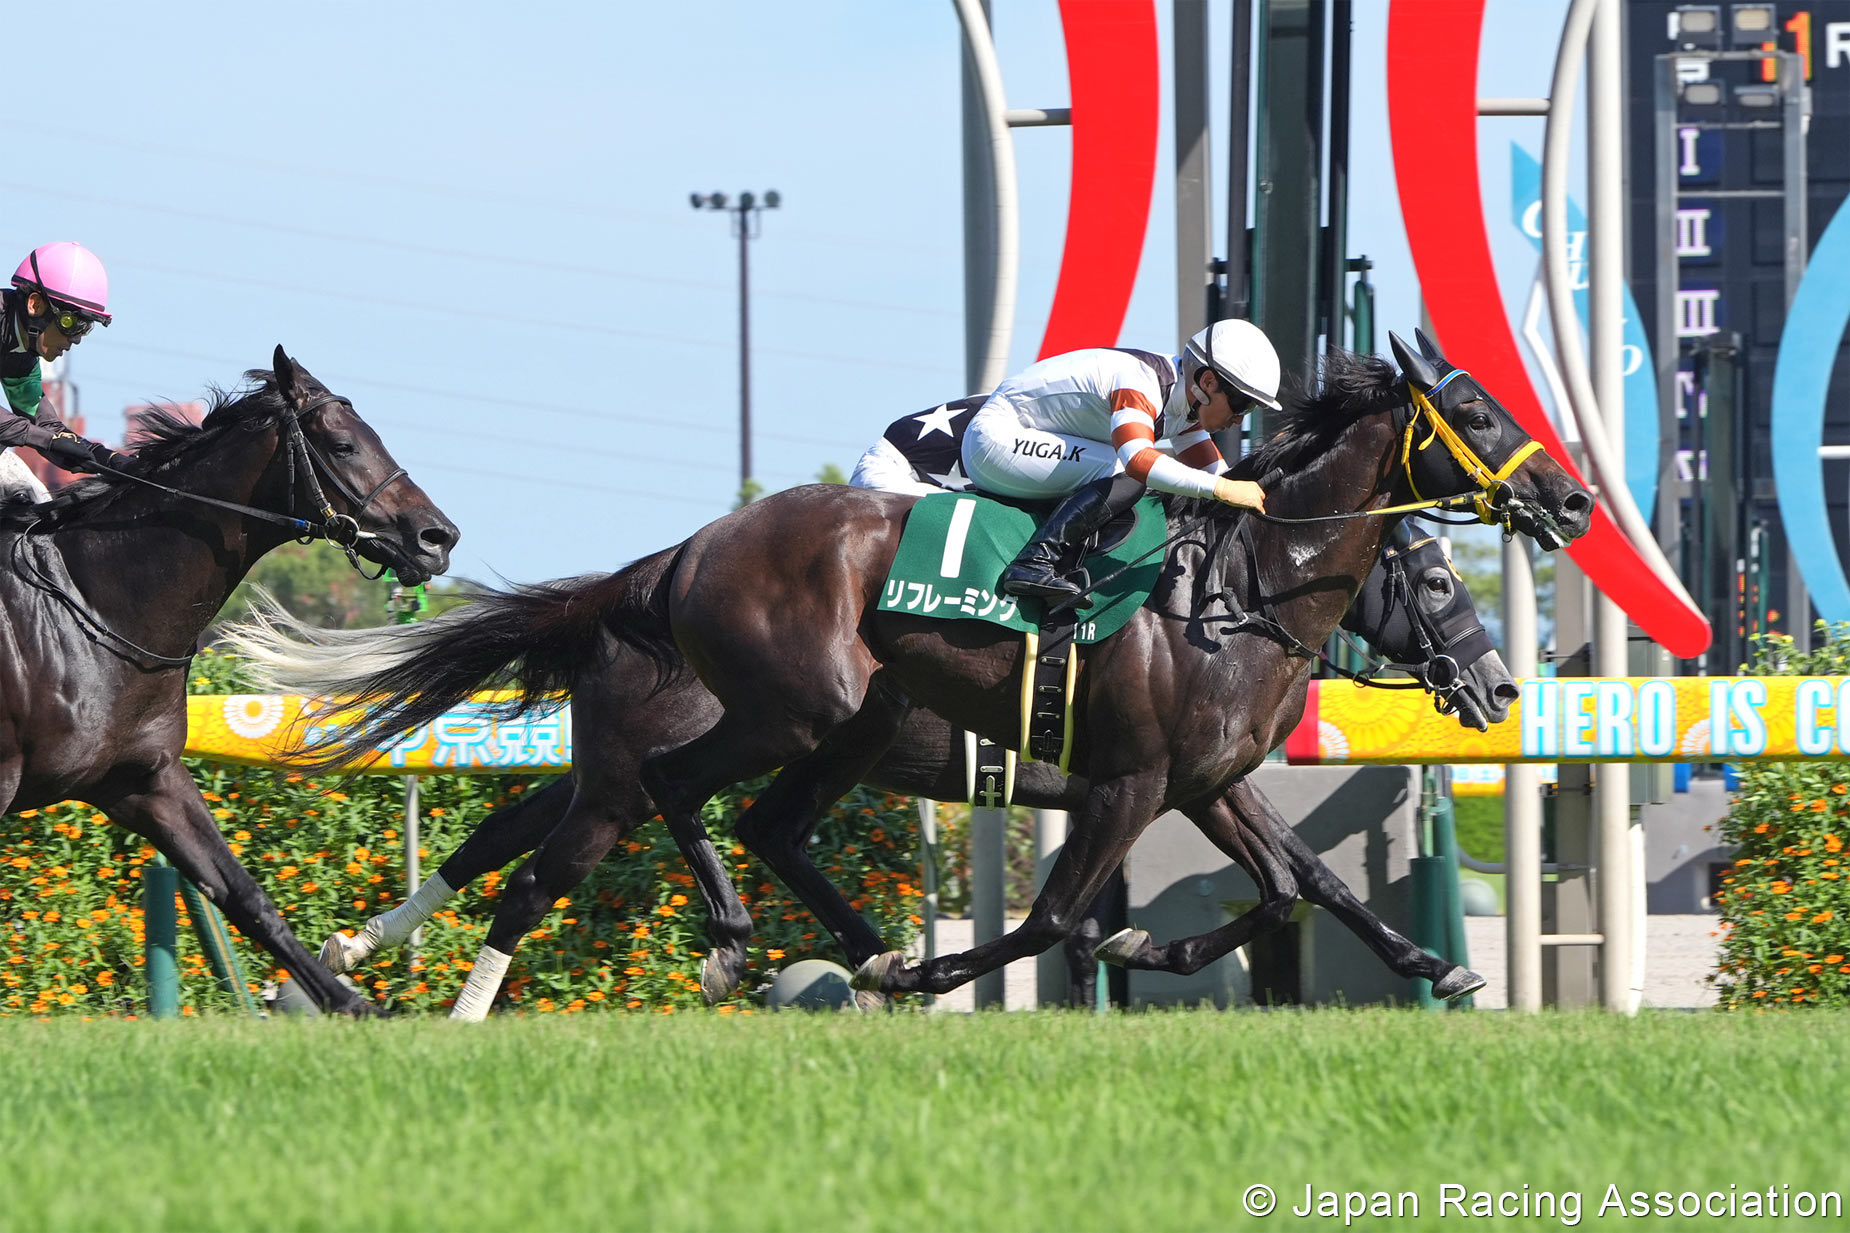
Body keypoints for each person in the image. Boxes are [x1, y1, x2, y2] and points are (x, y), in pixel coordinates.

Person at [956, 319, 1280, 601]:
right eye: (1242, 405)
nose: (1240, 420)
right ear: (1207, 382)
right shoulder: (1140, 383)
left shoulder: (1184, 404)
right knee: (1130, 474)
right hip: (995, 439)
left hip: (1027, 438)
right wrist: (1222, 489)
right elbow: (1139, 461)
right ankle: (1033, 562)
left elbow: (1225, 478)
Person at [0, 242, 130, 501]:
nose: (76, 340)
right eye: (71, 323)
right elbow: (39, 435)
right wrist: (47, 441)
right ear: (35, 305)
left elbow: (44, 424)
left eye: (85, 328)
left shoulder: (22, 351)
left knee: (35, 498)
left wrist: (104, 457)